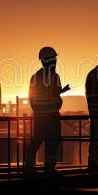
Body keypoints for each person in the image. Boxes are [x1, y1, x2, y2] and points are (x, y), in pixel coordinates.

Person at [24, 46, 70, 175]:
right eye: (53, 59)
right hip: (52, 115)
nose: (54, 62)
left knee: (37, 139)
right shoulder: (55, 76)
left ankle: (29, 165)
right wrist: (61, 92)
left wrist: (37, 111)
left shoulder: (35, 77)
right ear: (46, 60)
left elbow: (32, 96)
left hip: (40, 115)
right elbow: (53, 94)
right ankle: (49, 166)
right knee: (52, 141)